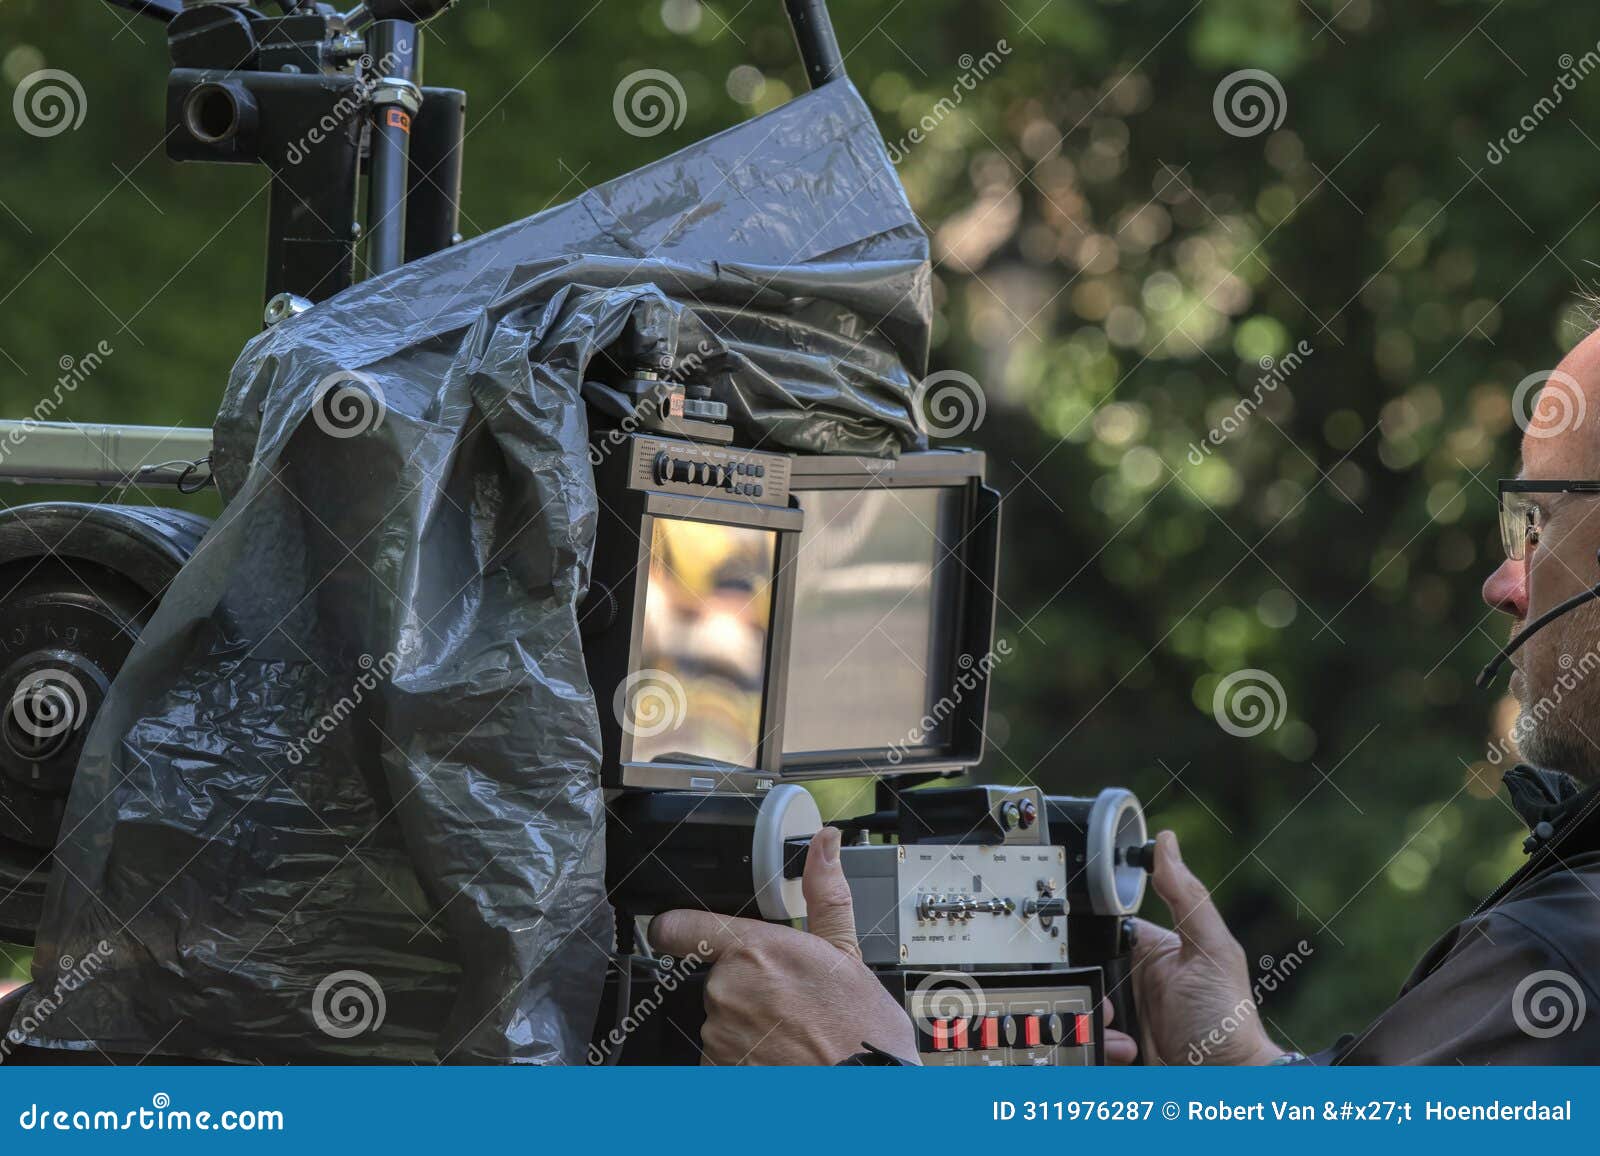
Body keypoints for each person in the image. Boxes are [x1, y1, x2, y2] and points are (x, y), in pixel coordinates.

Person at [653, 330, 1600, 1066]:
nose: (1505, 583)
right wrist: (1248, 1070)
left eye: (1538, 523)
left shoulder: (1567, 956)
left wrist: (852, 1073)